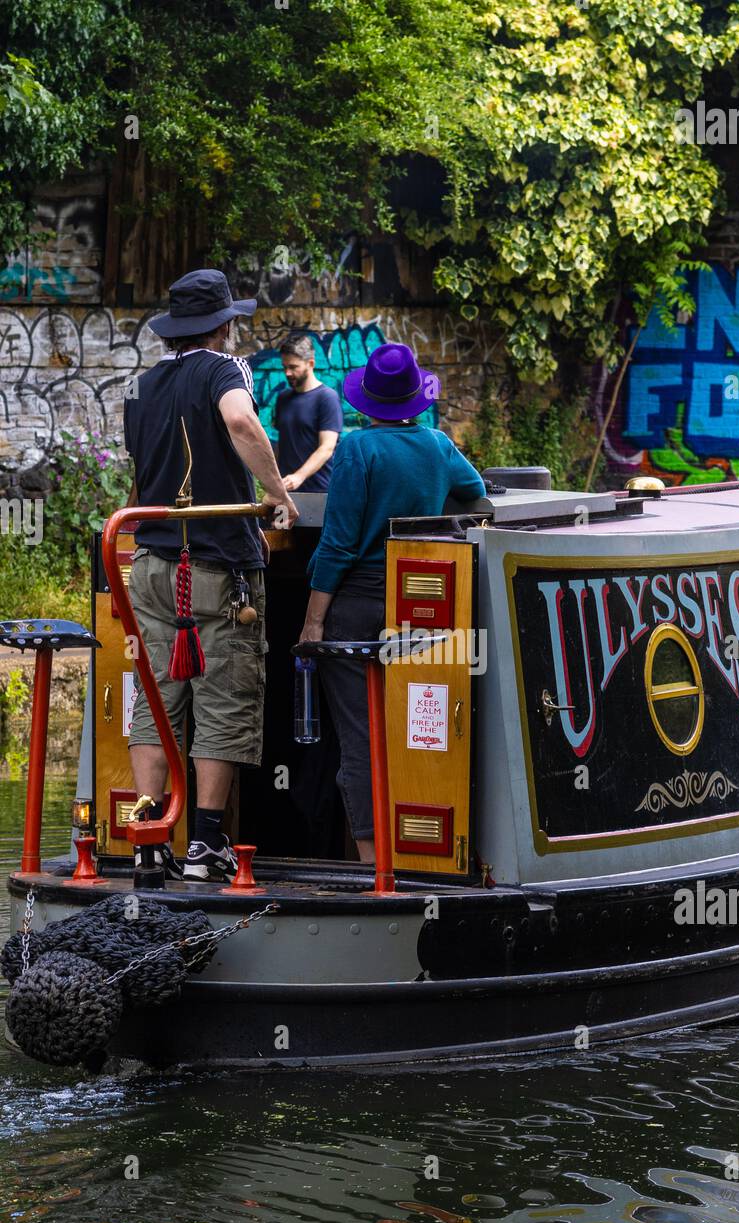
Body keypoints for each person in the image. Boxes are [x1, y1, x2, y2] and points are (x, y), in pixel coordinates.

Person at [124, 268, 297, 881]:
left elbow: (142, 469)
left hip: (149, 564)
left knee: (157, 698)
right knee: (223, 697)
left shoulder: (141, 386)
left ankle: (148, 840)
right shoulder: (226, 370)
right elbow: (242, 423)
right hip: (217, 567)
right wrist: (277, 493)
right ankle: (204, 847)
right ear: (224, 326)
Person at [298, 341, 486, 864]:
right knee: (417, 731)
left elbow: (336, 544)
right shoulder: (437, 445)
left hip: (355, 609)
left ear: (367, 403)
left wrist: (314, 624)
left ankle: (369, 861)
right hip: (419, 610)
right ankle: (420, 848)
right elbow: (474, 489)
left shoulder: (357, 450)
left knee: (361, 737)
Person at [274, 334, 343, 492]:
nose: (287, 373)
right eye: (285, 367)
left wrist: (299, 476)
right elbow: (282, 443)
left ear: (310, 363)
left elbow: (326, 447)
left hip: (319, 491)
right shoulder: (283, 398)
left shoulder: (327, 397)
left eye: (293, 367)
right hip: (287, 490)